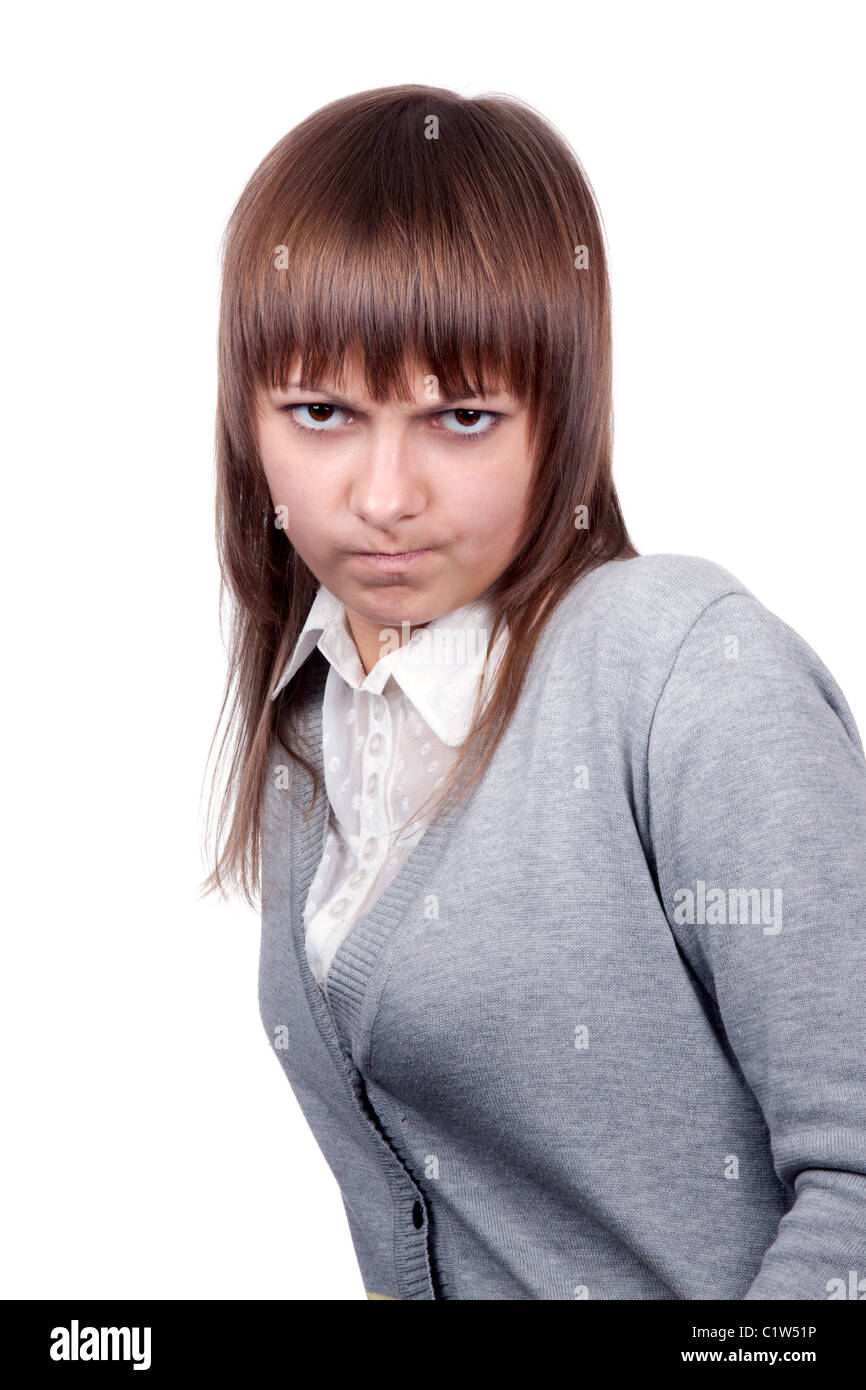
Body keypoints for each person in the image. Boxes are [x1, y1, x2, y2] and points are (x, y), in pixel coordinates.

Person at [201, 84, 866, 1300]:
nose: (385, 493)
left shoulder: (689, 675)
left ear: (556, 415)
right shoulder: (317, 718)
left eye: (460, 415)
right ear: (248, 421)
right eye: (321, 412)